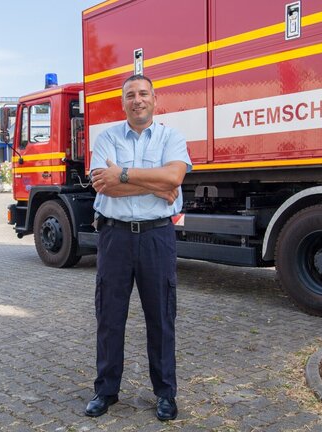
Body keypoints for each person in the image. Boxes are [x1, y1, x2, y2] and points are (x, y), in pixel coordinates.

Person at [85, 74, 191, 421]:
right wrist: (154, 184)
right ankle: (106, 390)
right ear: (123, 103)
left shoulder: (170, 137)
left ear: (154, 99)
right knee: (109, 316)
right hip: (115, 238)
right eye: (130, 95)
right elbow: (104, 186)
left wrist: (125, 175)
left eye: (143, 93)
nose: (137, 99)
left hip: (156, 237)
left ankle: (165, 394)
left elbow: (174, 179)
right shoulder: (107, 138)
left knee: (161, 317)